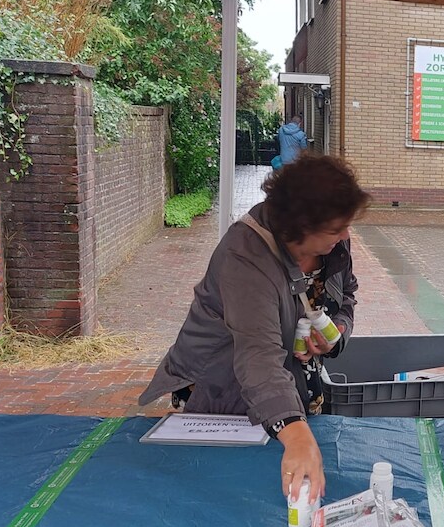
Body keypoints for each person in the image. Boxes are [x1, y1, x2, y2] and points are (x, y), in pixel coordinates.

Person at [138, 154, 370, 502]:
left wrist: (336, 329)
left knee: (282, 481)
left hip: (289, 386)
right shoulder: (244, 256)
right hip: (224, 390)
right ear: (300, 227)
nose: (346, 235)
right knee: (228, 492)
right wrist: (294, 432)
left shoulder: (334, 242)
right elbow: (257, 357)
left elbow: (346, 293)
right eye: (336, 229)